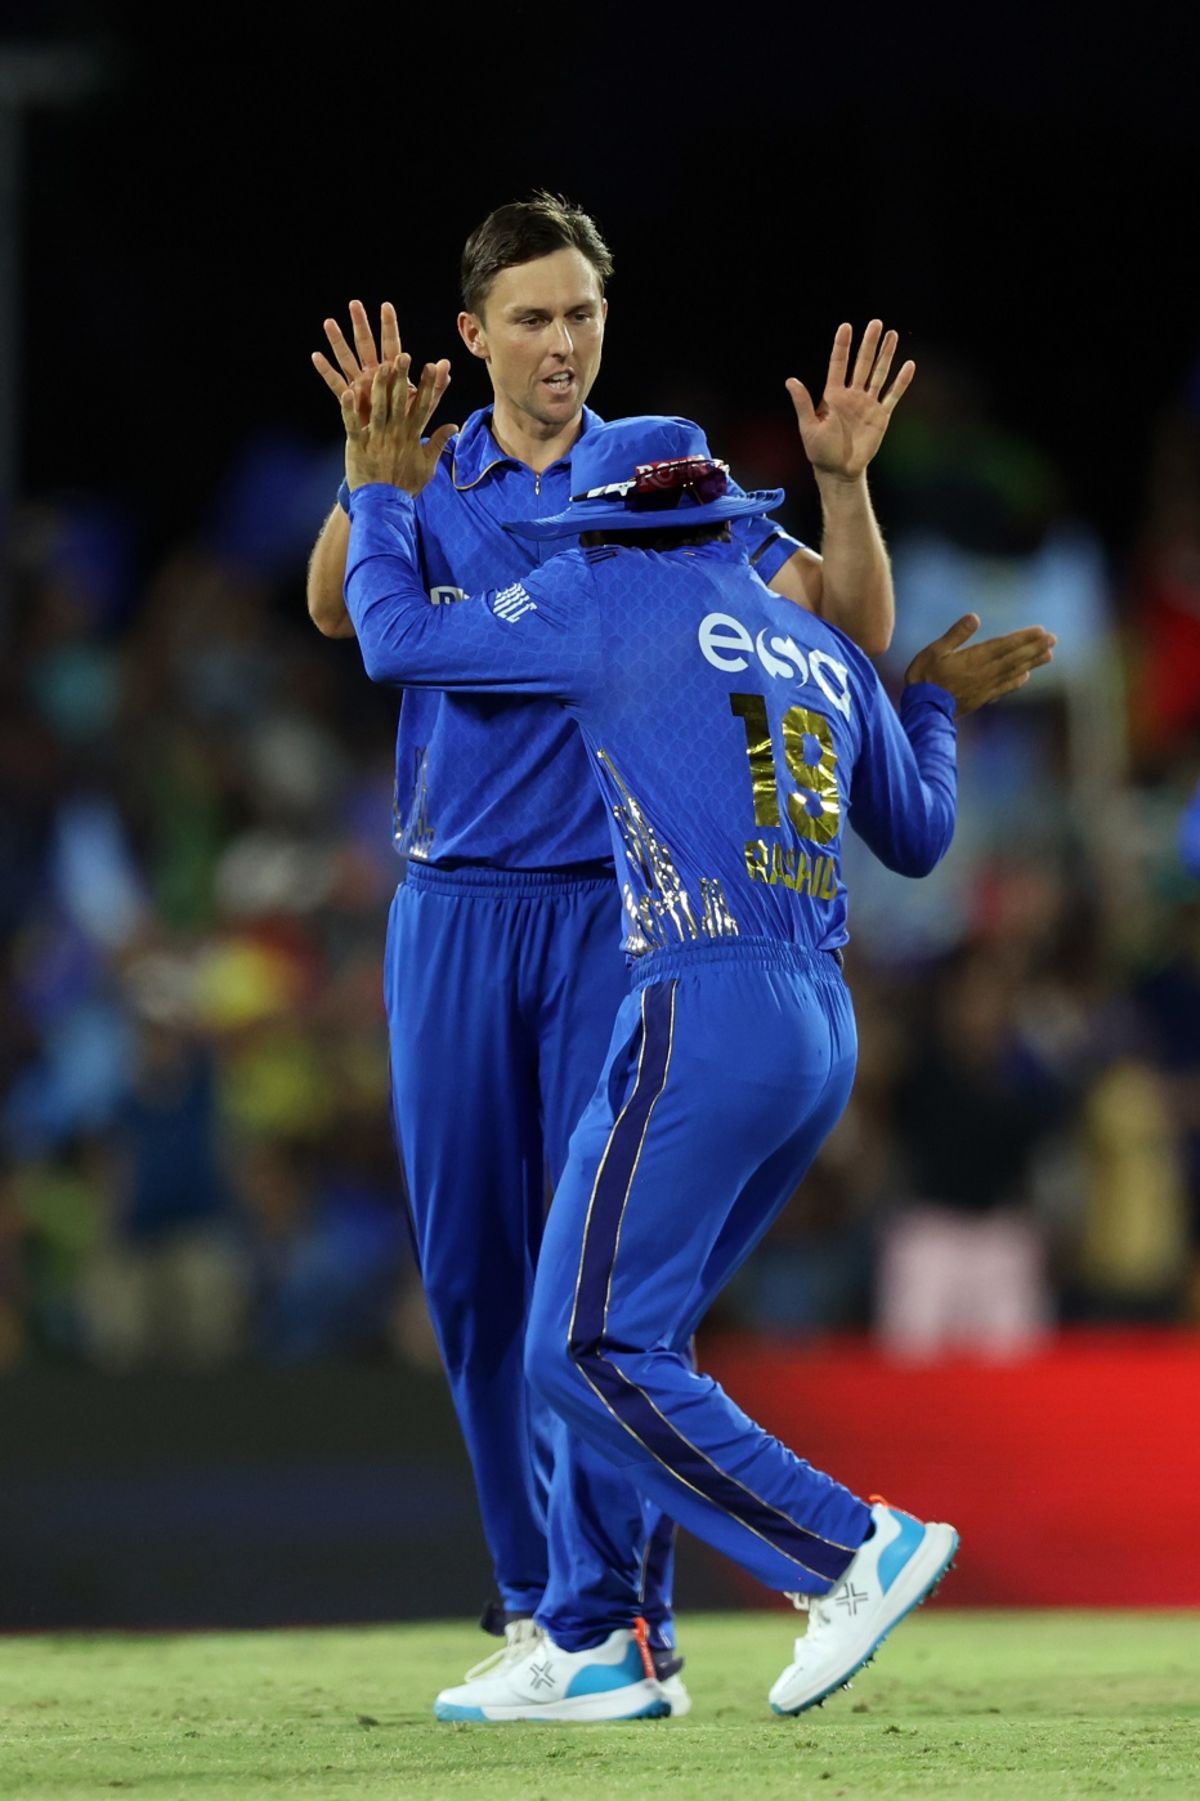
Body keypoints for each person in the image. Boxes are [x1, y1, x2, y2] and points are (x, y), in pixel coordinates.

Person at [336, 360, 1055, 1718]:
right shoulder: (810, 643)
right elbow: (918, 834)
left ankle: (852, 1548)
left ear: (616, 523)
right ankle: (605, 1641)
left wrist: (377, 502)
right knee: (625, 1332)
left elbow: (393, 642)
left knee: (579, 1348)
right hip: (819, 1024)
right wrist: (938, 703)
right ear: (730, 513)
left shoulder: (610, 590)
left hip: (701, 1002)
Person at [305, 195, 914, 1713]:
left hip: (614, 905)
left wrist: (840, 487)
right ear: (475, 334)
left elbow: (846, 622)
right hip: (449, 904)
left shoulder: (658, 476)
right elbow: (332, 604)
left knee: (606, 1270)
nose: (563, 342)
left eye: (581, 312)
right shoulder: (428, 472)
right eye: (532, 316)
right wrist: (365, 475)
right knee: (473, 1275)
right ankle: (538, 1612)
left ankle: (616, 1621)